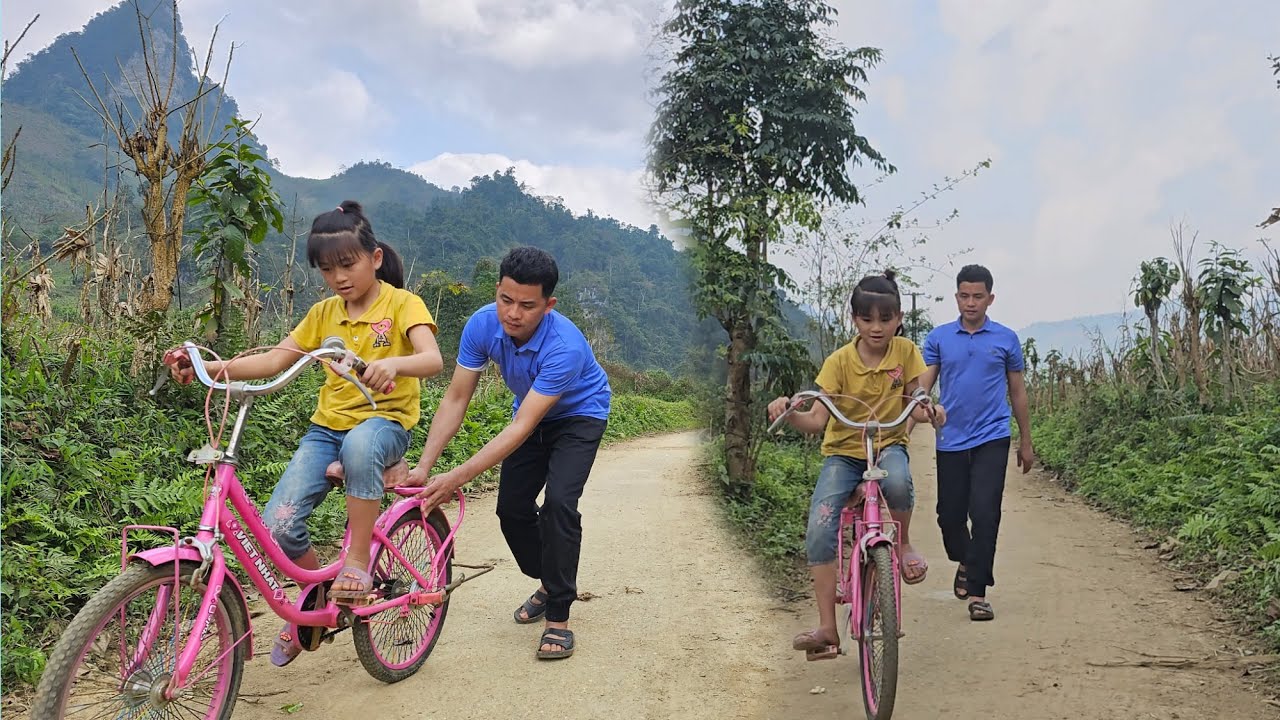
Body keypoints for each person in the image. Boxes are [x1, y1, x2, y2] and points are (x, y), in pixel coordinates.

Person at [163, 200, 444, 664]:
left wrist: (392, 362)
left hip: (384, 423)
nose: (339, 277)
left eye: (348, 264)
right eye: (327, 269)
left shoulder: (401, 304)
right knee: (278, 527)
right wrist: (207, 366)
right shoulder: (323, 314)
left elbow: (432, 359)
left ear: (374, 259)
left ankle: (355, 561)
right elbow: (274, 361)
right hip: (325, 432)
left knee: (360, 445)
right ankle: (315, 593)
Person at [400, 246, 611, 661]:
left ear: (548, 305)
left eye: (527, 306)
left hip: (579, 416)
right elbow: (457, 398)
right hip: (529, 416)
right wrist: (426, 467)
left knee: (560, 506)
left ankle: (558, 616)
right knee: (511, 510)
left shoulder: (564, 345)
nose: (513, 313)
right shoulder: (482, 325)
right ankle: (550, 579)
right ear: (497, 290)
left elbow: (521, 427)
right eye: (506, 299)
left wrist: (456, 477)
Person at [767, 271, 945, 660]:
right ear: (854, 320)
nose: (876, 328)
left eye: (885, 319)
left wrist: (927, 405)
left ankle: (902, 542)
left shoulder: (905, 352)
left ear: (899, 318)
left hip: (887, 445)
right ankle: (827, 627)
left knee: (897, 480)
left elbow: (916, 393)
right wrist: (788, 411)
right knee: (821, 523)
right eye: (867, 320)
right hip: (844, 454)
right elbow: (815, 420)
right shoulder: (839, 362)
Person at [918, 264, 1034, 622]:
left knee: (985, 513)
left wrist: (1026, 441)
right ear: (957, 297)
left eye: (978, 296)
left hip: (993, 436)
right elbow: (922, 386)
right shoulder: (939, 338)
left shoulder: (1005, 339)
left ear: (990, 298)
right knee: (949, 516)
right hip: (950, 437)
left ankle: (979, 594)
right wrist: (916, 408)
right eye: (964, 296)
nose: (971, 303)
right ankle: (967, 561)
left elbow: (1017, 391)